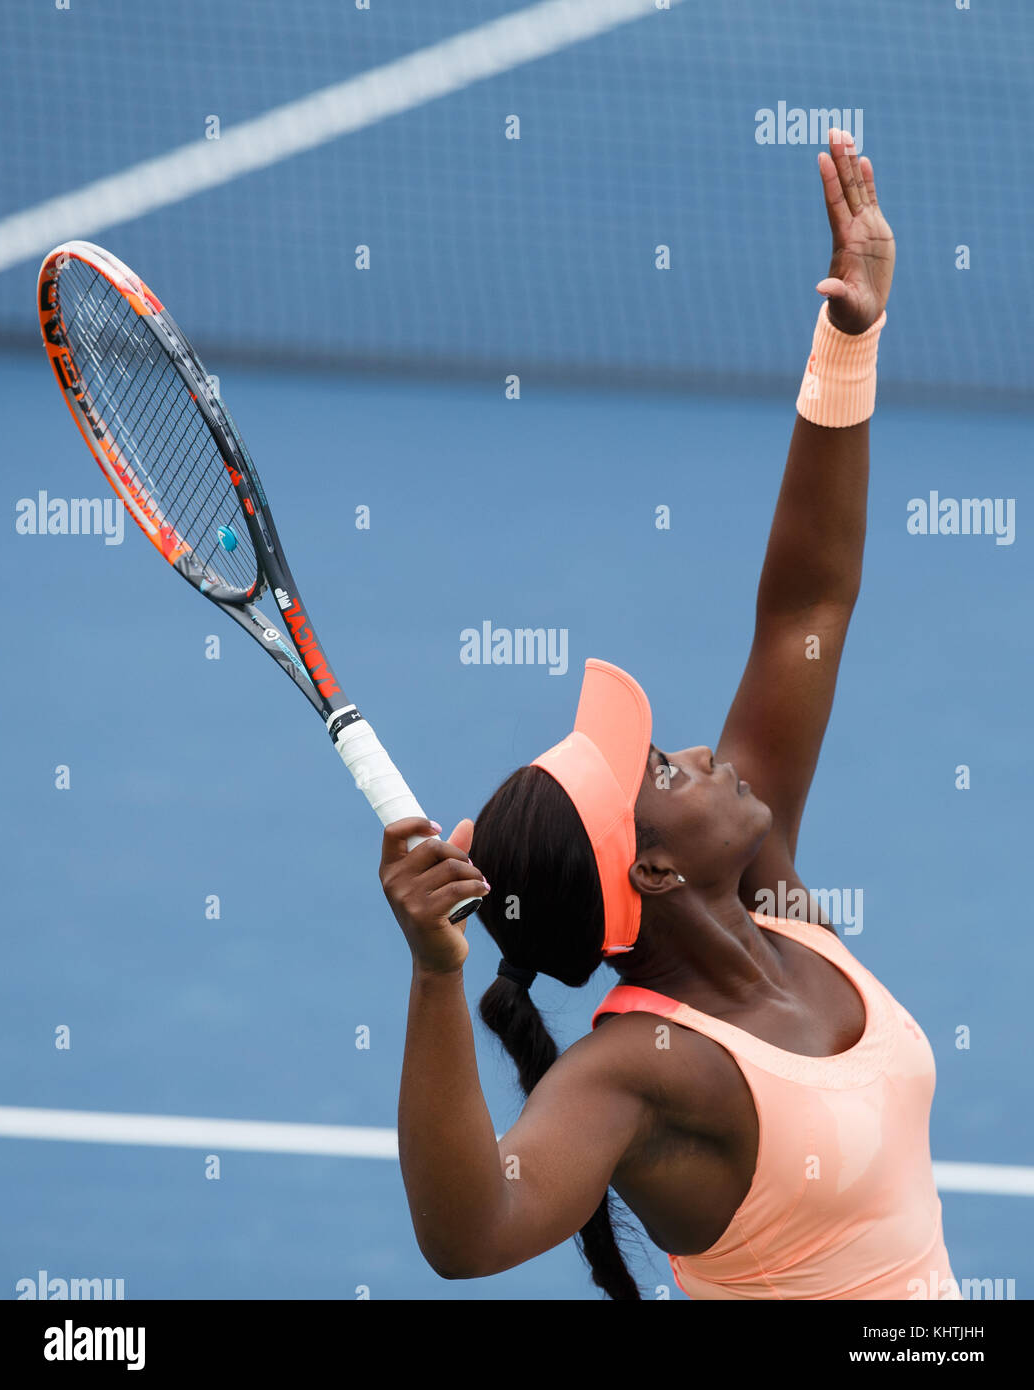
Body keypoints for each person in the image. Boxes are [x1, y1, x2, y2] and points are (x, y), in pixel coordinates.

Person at [380, 132, 959, 1300]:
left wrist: (846, 341)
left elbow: (806, 600)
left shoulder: (771, 900)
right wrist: (436, 977)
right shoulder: (642, 1070)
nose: (701, 753)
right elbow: (469, 1232)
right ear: (643, 868)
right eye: (662, 768)